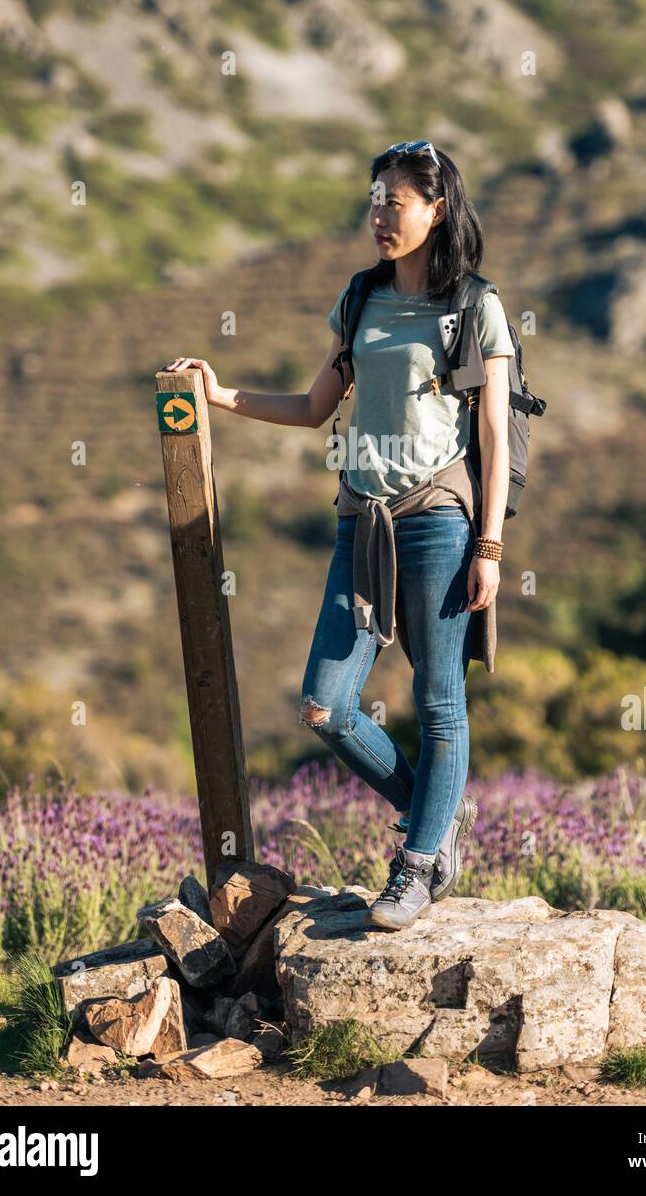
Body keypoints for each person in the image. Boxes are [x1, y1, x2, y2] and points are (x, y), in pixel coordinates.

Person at [165, 140, 514, 930]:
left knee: (438, 701)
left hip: (439, 520)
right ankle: (437, 816)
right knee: (326, 705)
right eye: (373, 200)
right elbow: (316, 406)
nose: (379, 215)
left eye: (395, 201)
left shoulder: (475, 306)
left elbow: (493, 433)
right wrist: (222, 396)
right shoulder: (359, 299)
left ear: (437, 209)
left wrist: (490, 547)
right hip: (362, 519)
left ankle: (418, 864)